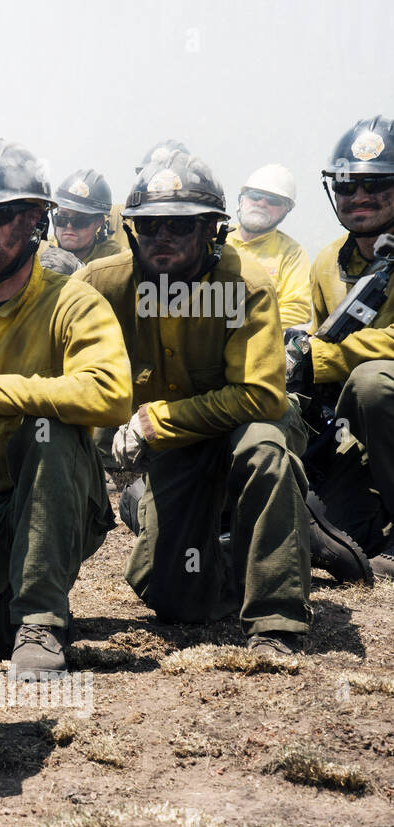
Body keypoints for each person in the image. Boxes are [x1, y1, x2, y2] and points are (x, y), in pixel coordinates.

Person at [78, 151, 312, 657]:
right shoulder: (102, 283)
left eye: (179, 226)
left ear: (211, 230)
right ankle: (278, 543)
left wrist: (156, 419)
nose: (162, 237)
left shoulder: (246, 283)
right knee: (172, 594)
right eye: (150, 225)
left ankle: (277, 617)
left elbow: (260, 394)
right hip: (176, 447)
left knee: (264, 448)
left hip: (244, 427)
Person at [0, 140, 131, 679]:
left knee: (50, 430)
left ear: (35, 222)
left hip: (51, 496)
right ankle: (0, 607)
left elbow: (111, 392)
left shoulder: (72, 301)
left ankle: (40, 619)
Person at [289, 116, 394, 579]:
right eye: (348, 186)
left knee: (373, 382)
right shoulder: (327, 261)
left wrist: (327, 358)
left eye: (377, 184)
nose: (360, 197)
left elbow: (332, 358)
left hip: (380, 401)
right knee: (336, 534)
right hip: (354, 429)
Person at [227, 164, 311, 332]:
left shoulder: (292, 253)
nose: (262, 204)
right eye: (255, 196)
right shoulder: (212, 237)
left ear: (286, 210)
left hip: (255, 345)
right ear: (241, 200)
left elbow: (298, 309)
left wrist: (243, 326)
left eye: (273, 201)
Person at [52, 169, 122, 265]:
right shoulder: (36, 251)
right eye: (62, 217)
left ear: (99, 222)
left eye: (79, 220)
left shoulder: (115, 259)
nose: (69, 226)